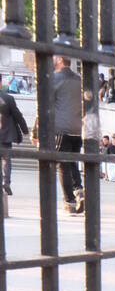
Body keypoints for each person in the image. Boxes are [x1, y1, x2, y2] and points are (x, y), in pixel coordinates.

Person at [33, 55, 84, 215]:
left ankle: (69, 201)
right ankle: (79, 191)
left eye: (54, 57)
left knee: (62, 165)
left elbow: (42, 106)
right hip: (77, 129)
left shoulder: (53, 78)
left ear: (60, 59)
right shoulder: (79, 79)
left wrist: (35, 132)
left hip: (60, 128)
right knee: (72, 162)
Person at [0, 83, 29, 199]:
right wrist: (25, 130)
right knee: (6, 159)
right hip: (5, 134)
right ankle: (6, 181)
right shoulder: (8, 98)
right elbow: (17, 115)